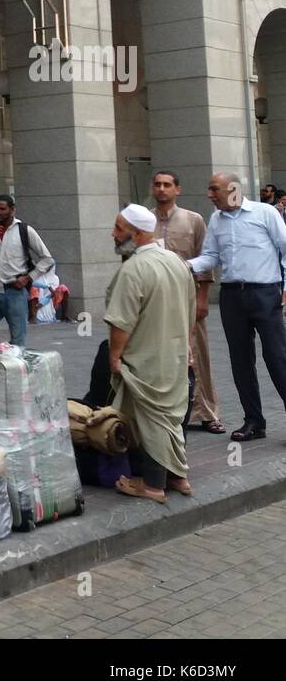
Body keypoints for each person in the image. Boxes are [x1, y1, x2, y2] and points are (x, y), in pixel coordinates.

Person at [186, 171, 286, 442]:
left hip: (265, 293)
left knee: (277, 357)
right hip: (232, 297)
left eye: (214, 189)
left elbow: (285, 248)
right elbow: (211, 256)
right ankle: (254, 421)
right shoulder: (217, 219)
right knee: (240, 361)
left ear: (232, 189)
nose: (209, 194)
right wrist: (184, 265)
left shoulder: (265, 213)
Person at [106, 205, 196, 503]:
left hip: (146, 359)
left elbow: (121, 321)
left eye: (119, 228)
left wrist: (115, 356)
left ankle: (154, 485)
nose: (113, 234)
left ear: (138, 234)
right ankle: (179, 477)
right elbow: (190, 312)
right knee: (171, 419)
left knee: (152, 420)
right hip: (175, 355)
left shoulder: (133, 269)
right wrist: (188, 346)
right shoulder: (176, 262)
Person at [150, 170, 223, 434]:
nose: (162, 189)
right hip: (155, 299)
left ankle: (207, 413)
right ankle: (165, 412)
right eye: (157, 184)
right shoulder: (145, 221)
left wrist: (202, 299)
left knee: (196, 353)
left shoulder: (193, 220)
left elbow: (206, 260)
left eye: (167, 185)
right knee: (158, 353)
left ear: (177, 189)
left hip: (188, 297)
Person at [0, 194, 54, 347]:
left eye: (2, 209)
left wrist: (28, 278)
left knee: (18, 341)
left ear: (12, 210)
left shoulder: (24, 230)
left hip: (15, 293)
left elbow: (48, 259)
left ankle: (16, 361)